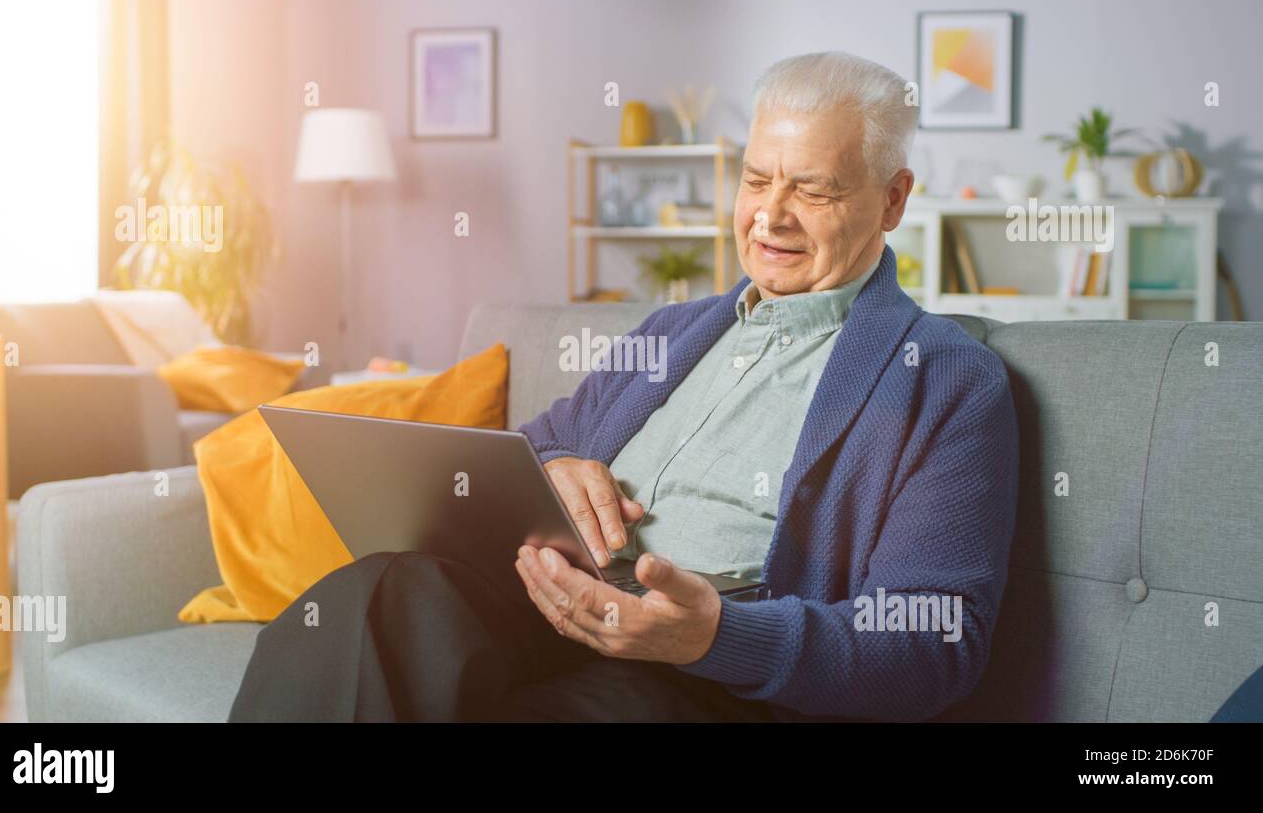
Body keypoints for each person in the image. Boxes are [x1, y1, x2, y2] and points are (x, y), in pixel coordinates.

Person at [228, 50, 1019, 723]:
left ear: (892, 199)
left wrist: (714, 637)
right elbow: (530, 447)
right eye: (755, 179)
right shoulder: (673, 332)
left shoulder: (945, 377)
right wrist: (555, 470)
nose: (769, 216)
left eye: (812, 190)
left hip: (701, 676)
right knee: (377, 592)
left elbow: (935, 637)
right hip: (548, 608)